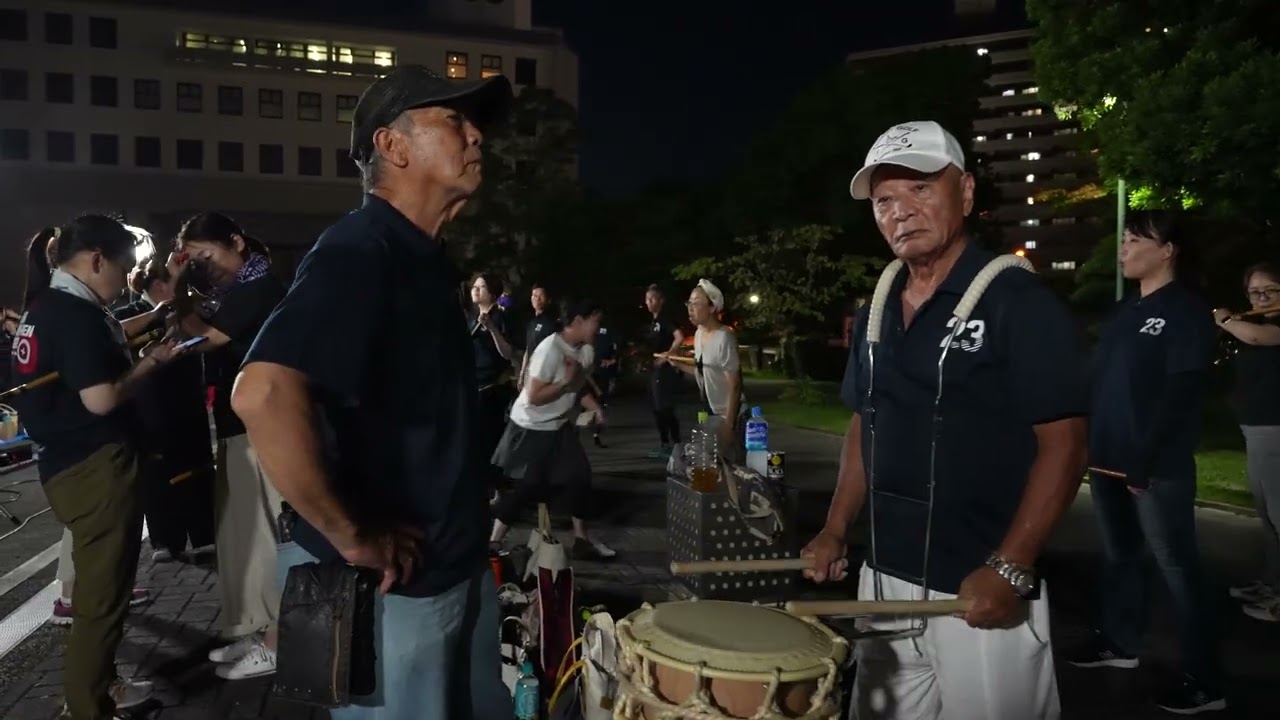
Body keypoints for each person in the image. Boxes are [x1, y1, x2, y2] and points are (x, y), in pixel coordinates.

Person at [230, 64, 514, 719]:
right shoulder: (361, 249)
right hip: (392, 589)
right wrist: (351, 534)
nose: (478, 138)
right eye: (456, 122)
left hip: (452, 563)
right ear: (393, 146)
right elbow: (264, 393)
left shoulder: (421, 257)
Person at [803, 121, 1088, 720]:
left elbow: (1064, 444)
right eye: (884, 201)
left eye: (920, 190)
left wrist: (1011, 567)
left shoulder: (1019, 302)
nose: (900, 212)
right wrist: (836, 526)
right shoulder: (875, 309)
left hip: (980, 583)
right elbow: (865, 422)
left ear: (965, 192)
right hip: (884, 578)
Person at [9, 215, 189, 719]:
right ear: (96, 260)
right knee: (102, 600)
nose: (123, 281)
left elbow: (97, 346)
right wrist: (152, 362)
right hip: (95, 467)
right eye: (123, 268)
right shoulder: (75, 314)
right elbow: (102, 398)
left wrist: (152, 319)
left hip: (63, 465)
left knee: (97, 591)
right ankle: (89, 705)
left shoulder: (46, 306)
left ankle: (102, 685)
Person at [1069, 210, 1225, 714]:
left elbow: (1181, 392)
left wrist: (1147, 458)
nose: (1125, 245)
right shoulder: (1122, 312)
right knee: (1121, 559)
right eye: (1125, 237)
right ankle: (1121, 642)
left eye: (1138, 238)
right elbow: (1097, 382)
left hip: (1155, 467)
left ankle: (1206, 680)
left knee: (1177, 569)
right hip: (1108, 460)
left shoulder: (1186, 311)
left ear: (1168, 251)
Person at [169, 211, 287, 681]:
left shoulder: (259, 288)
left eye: (206, 256)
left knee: (268, 538)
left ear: (236, 243)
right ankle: (260, 631)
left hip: (264, 427)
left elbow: (202, 337)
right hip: (241, 426)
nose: (202, 267)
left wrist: (172, 292)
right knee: (243, 537)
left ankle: (278, 640)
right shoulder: (235, 291)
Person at [490, 298, 615, 561]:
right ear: (579, 321)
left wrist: (595, 408)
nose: (598, 326)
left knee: (579, 476)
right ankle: (493, 542)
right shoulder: (550, 350)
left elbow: (578, 386)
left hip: (557, 425)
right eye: (595, 320)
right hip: (531, 425)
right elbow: (534, 395)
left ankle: (581, 539)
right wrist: (565, 383)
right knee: (528, 486)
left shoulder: (585, 351)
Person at [112, 256, 216, 563]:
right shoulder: (131, 313)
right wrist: (157, 319)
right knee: (156, 473)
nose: (183, 289)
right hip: (150, 407)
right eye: (176, 282)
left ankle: (204, 535)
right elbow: (117, 335)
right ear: (158, 285)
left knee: (196, 466)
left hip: (188, 401)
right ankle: (165, 540)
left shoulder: (189, 309)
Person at [1218, 262, 1280, 622]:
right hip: (1256, 430)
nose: (1260, 299)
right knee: (1268, 518)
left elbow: (1256, 338)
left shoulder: (1268, 329)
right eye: (1254, 292)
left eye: (1269, 291)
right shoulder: (1257, 324)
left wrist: (1224, 319)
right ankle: (1273, 584)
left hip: (1275, 431)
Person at [667, 279, 744, 458]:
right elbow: (702, 372)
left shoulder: (724, 338)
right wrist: (677, 363)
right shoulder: (699, 333)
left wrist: (729, 425)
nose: (690, 308)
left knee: (733, 471)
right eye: (689, 303)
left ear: (711, 307)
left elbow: (735, 385)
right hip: (712, 415)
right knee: (707, 467)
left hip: (730, 416)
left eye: (696, 303)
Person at [468, 272, 516, 491]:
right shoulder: (469, 318)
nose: (476, 290)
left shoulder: (500, 317)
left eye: (482, 287)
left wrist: (492, 329)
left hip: (493, 388)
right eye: (474, 286)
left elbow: (507, 353)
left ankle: (497, 487)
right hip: (473, 386)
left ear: (493, 293)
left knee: (492, 439)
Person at [643, 284, 685, 458]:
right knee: (657, 407)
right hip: (654, 370)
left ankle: (674, 444)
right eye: (647, 299)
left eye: (652, 299)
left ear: (661, 300)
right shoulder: (654, 322)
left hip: (665, 371)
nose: (648, 302)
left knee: (664, 408)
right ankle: (666, 443)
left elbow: (679, 337)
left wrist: (667, 356)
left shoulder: (665, 319)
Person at [519, 284, 559, 389]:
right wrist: (522, 374)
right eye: (534, 295)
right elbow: (528, 348)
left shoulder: (552, 323)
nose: (537, 298)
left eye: (541, 295)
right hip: (530, 371)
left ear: (548, 300)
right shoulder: (531, 323)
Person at [590, 312, 619, 448]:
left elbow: (616, 349)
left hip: (603, 373)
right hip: (589, 372)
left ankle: (597, 434)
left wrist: (612, 361)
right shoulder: (589, 329)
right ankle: (577, 434)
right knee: (587, 404)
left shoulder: (609, 329)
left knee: (601, 402)